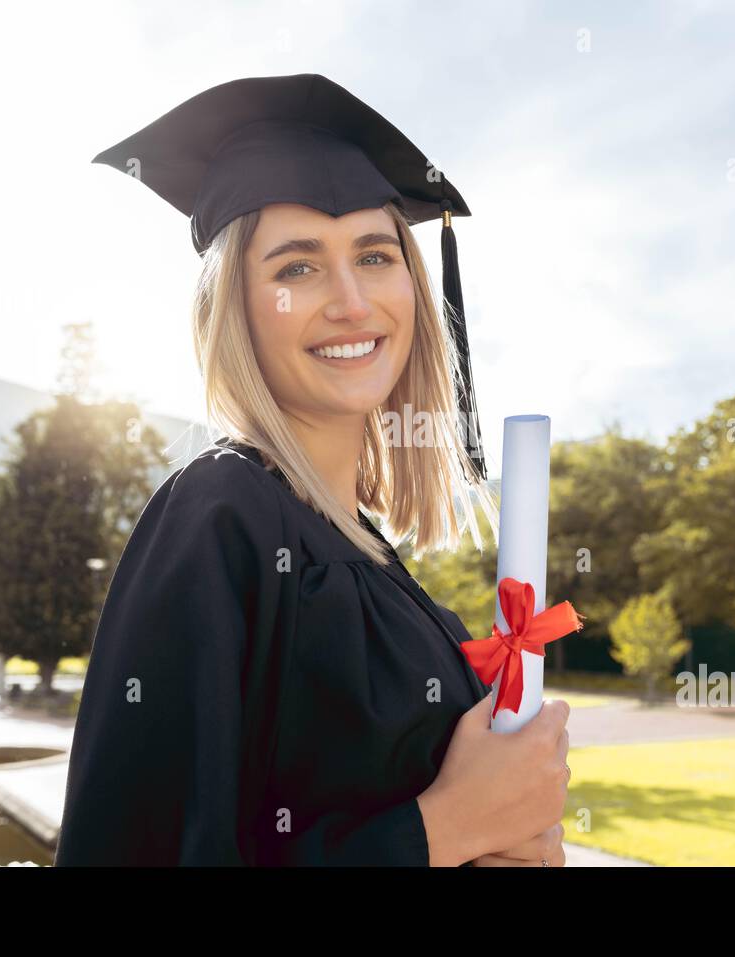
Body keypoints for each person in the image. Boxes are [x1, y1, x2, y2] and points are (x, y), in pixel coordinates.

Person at [54, 74, 571, 867]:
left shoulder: (368, 553)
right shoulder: (219, 518)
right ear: (236, 306)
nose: (352, 302)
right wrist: (445, 829)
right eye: (297, 268)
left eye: (374, 254)